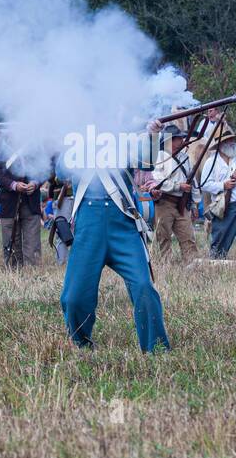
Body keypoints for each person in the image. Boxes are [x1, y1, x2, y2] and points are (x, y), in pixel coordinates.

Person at [59, 118, 169, 353]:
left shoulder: (126, 133)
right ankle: (80, 345)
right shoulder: (74, 133)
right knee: (74, 297)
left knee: (143, 287)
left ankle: (156, 348)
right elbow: (61, 170)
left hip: (123, 222)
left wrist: (151, 135)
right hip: (88, 224)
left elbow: (146, 163)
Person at [197, 123, 236, 259]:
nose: (231, 143)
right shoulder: (211, 162)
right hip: (223, 207)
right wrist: (223, 186)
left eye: (232, 140)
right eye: (227, 141)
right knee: (219, 243)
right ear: (220, 145)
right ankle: (215, 267)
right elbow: (204, 185)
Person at [151, 125, 198, 260]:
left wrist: (194, 204)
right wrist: (178, 187)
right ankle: (166, 267)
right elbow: (158, 182)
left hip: (183, 203)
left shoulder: (185, 157)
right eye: (177, 138)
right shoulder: (159, 156)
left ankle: (192, 265)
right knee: (163, 238)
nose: (181, 141)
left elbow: (192, 181)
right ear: (169, 140)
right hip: (165, 202)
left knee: (188, 238)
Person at [0, 147, 44, 268]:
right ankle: (13, 275)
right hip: (9, 202)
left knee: (33, 243)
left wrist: (35, 182)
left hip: (31, 201)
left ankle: (33, 274)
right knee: (11, 243)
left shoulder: (35, 145)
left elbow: (44, 169)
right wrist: (14, 185)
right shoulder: (3, 145)